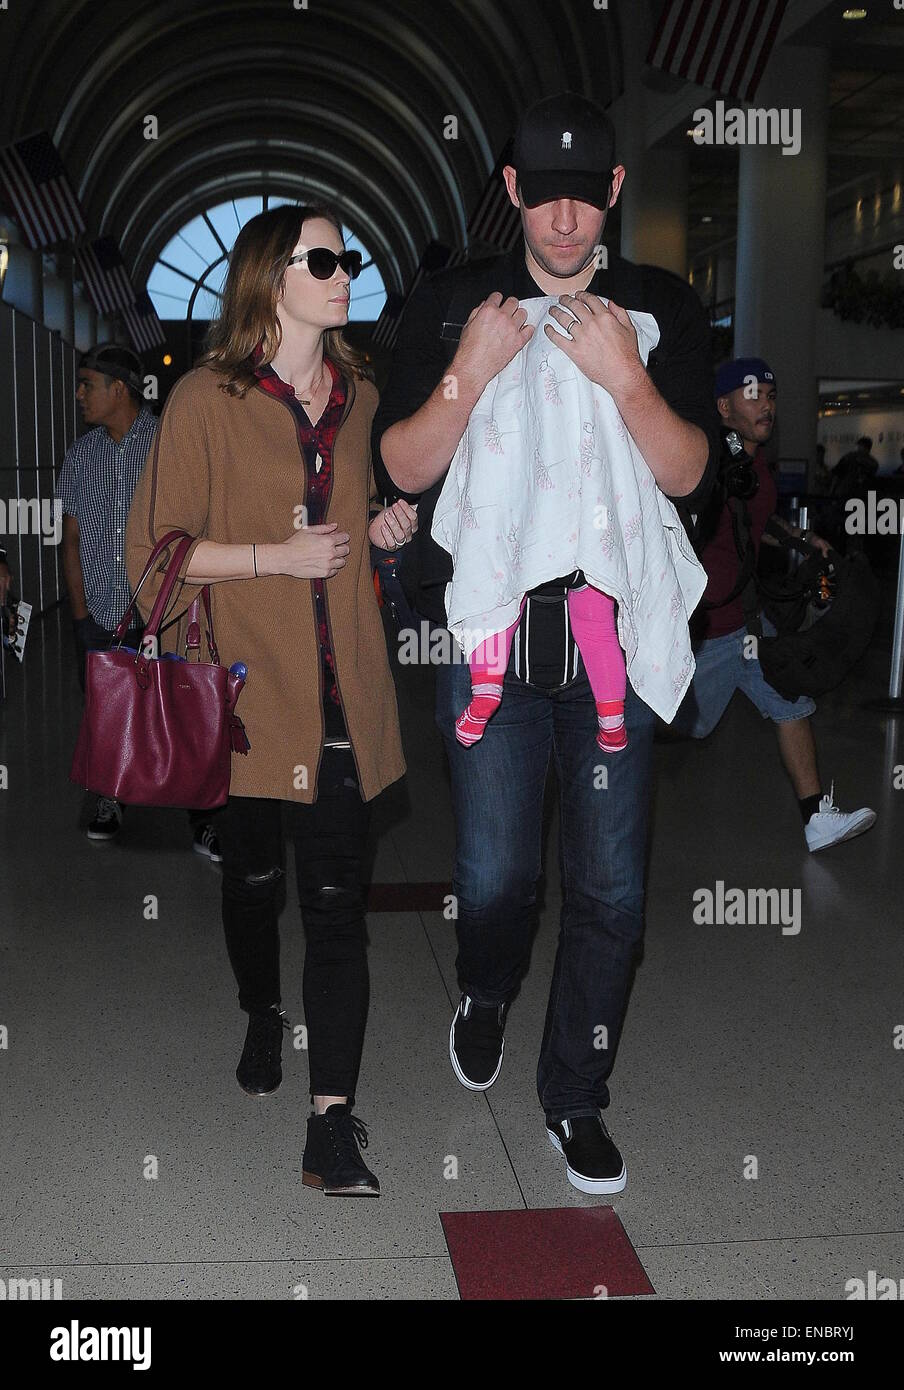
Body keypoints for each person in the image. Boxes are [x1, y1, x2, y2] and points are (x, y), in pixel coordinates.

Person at [372, 92, 720, 1195]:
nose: (565, 220)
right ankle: (486, 986)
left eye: (587, 195)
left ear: (614, 191)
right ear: (512, 190)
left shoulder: (659, 306)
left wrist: (625, 379)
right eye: (544, 193)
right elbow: (405, 467)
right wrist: (467, 374)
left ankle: (575, 1094)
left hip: (608, 641)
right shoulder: (449, 301)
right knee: (495, 876)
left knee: (612, 892)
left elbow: (687, 473)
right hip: (491, 646)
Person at [126, 204, 416, 1196]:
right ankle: (260, 1009)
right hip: (250, 697)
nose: (345, 272)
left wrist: (382, 525)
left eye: (349, 256)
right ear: (268, 278)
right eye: (324, 258)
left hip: (344, 693)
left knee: (337, 907)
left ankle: (329, 1125)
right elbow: (154, 557)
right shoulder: (208, 399)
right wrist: (273, 556)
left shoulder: (363, 394)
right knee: (252, 883)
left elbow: (360, 509)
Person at [670, 358, 876, 853]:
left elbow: (752, 522)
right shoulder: (709, 456)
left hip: (746, 622)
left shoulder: (751, 462)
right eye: (752, 394)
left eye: (771, 394)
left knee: (792, 703)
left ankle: (816, 820)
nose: (766, 403)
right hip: (707, 629)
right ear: (723, 407)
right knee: (678, 725)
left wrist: (802, 538)